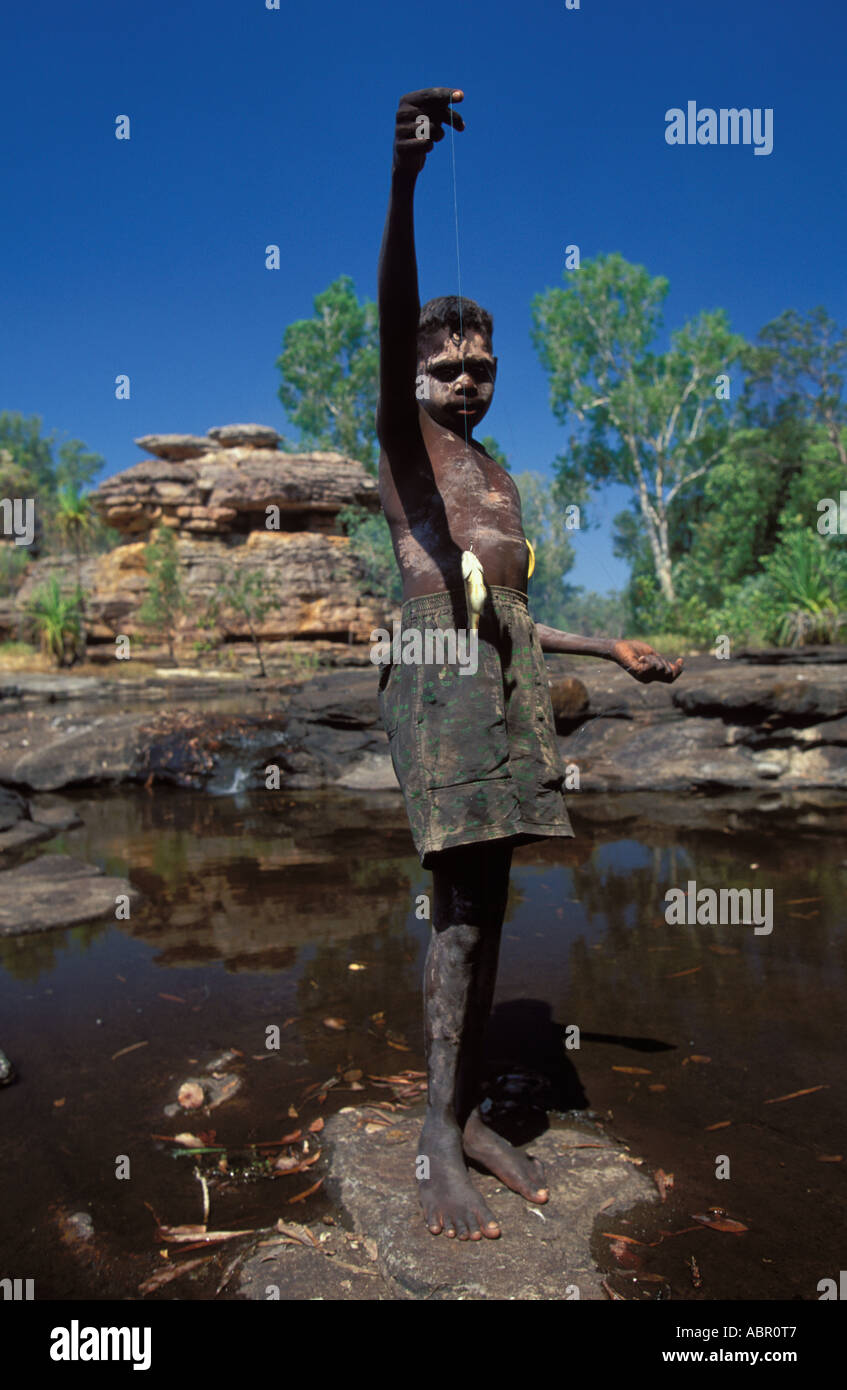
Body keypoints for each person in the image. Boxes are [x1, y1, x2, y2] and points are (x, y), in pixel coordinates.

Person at [376, 87, 684, 1241]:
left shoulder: (494, 471)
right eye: (448, 367)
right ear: (409, 379)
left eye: (483, 365)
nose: (468, 380)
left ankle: (460, 1116)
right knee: (456, 909)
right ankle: (429, 1140)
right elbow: (391, 305)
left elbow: (506, 610)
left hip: (494, 672)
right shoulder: (410, 448)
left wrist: (607, 642)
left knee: (490, 899)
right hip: (440, 677)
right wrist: (404, 181)